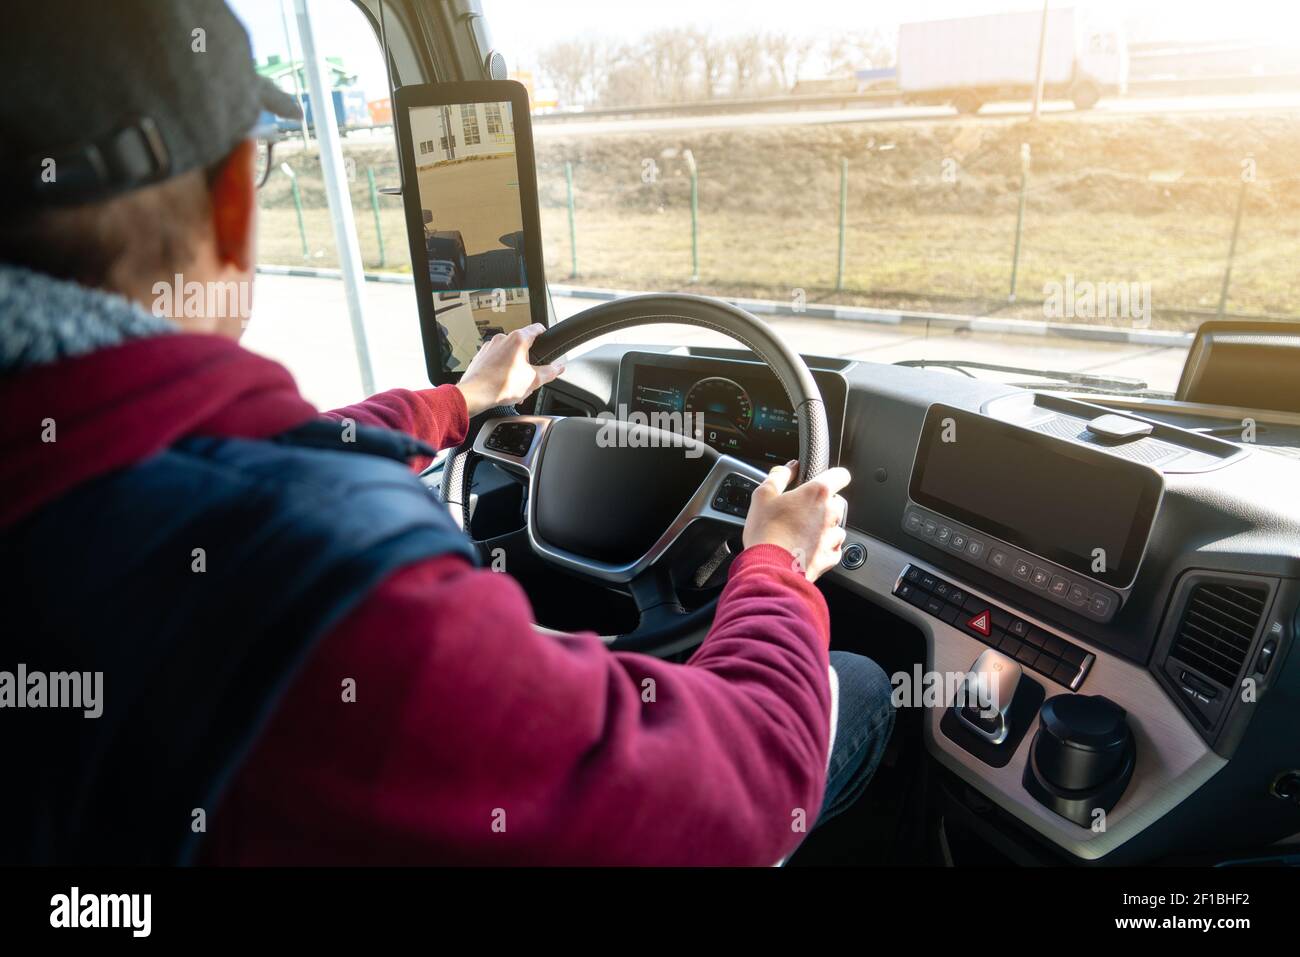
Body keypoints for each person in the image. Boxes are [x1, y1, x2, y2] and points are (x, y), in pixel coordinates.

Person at [0, 0, 894, 865]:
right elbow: (744, 786)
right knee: (848, 686)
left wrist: (460, 401)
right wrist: (774, 567)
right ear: (233, 199)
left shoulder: (100, 464)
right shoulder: (318, 577)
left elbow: (289, 449)